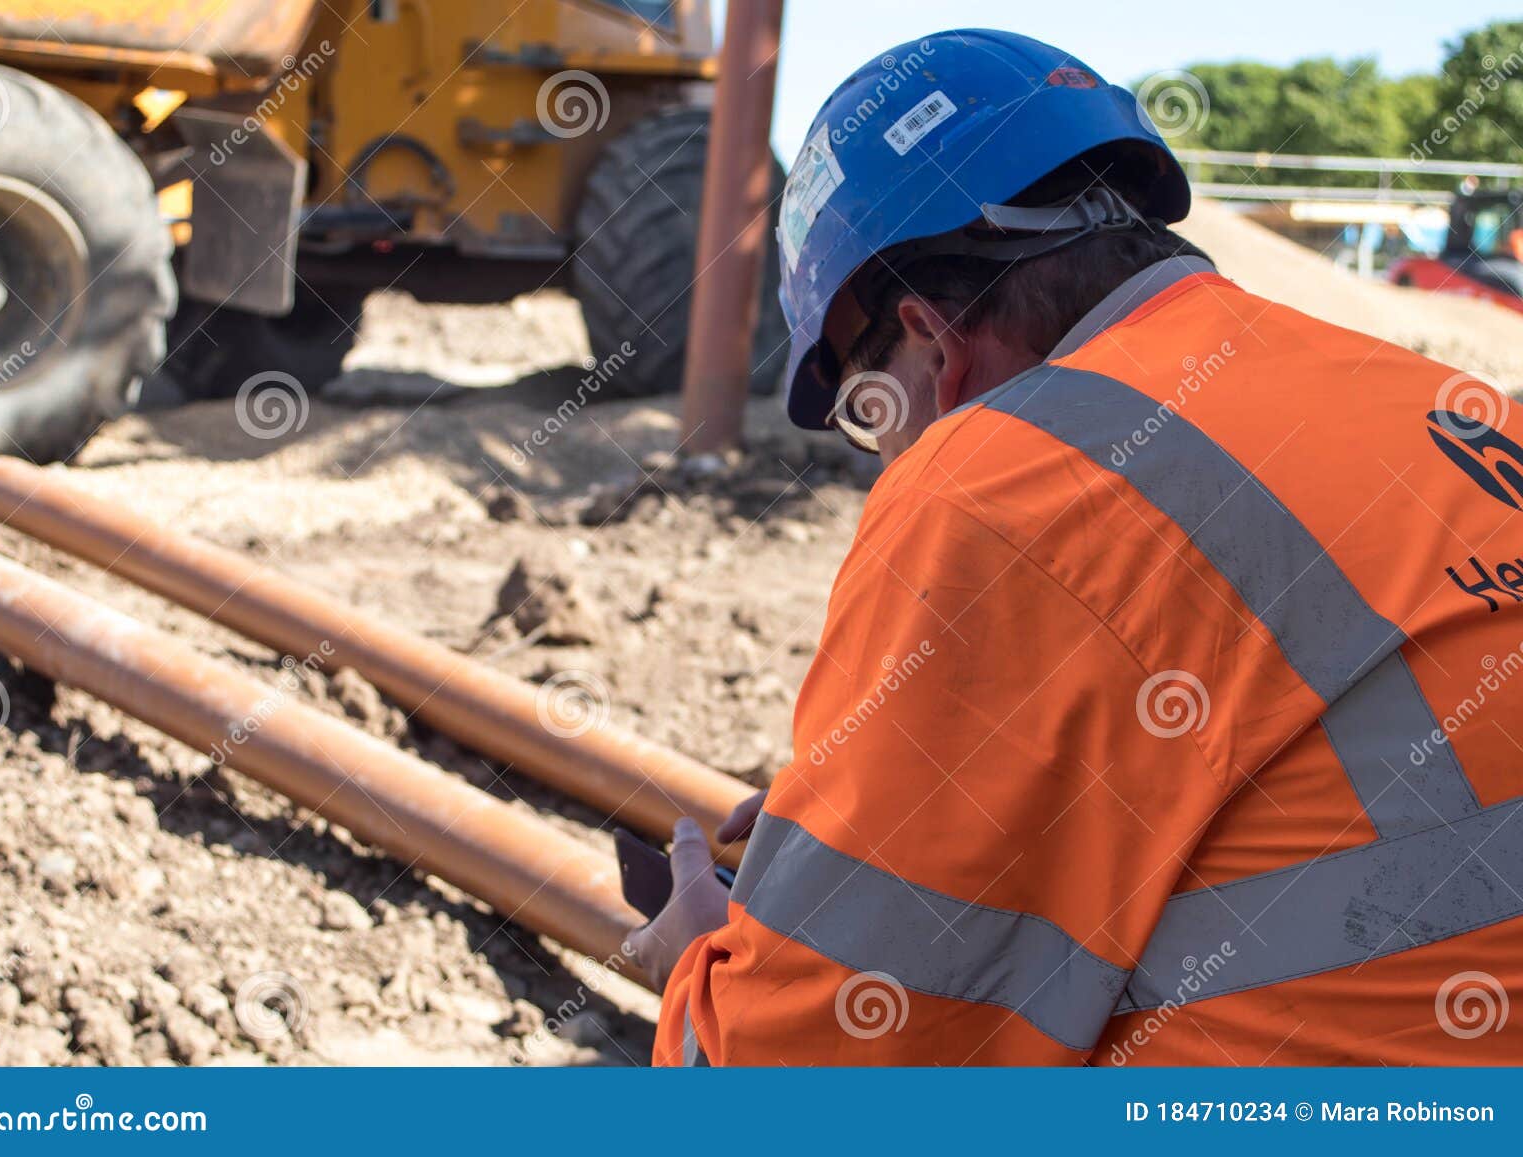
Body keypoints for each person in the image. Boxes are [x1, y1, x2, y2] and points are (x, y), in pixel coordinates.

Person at [627, 29, 1523, 1065]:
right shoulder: (1431, 399)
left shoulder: (999, 480)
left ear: (928, 338)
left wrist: (698, 974)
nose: (891, 455)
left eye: (869, 415)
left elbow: (810, 1067)